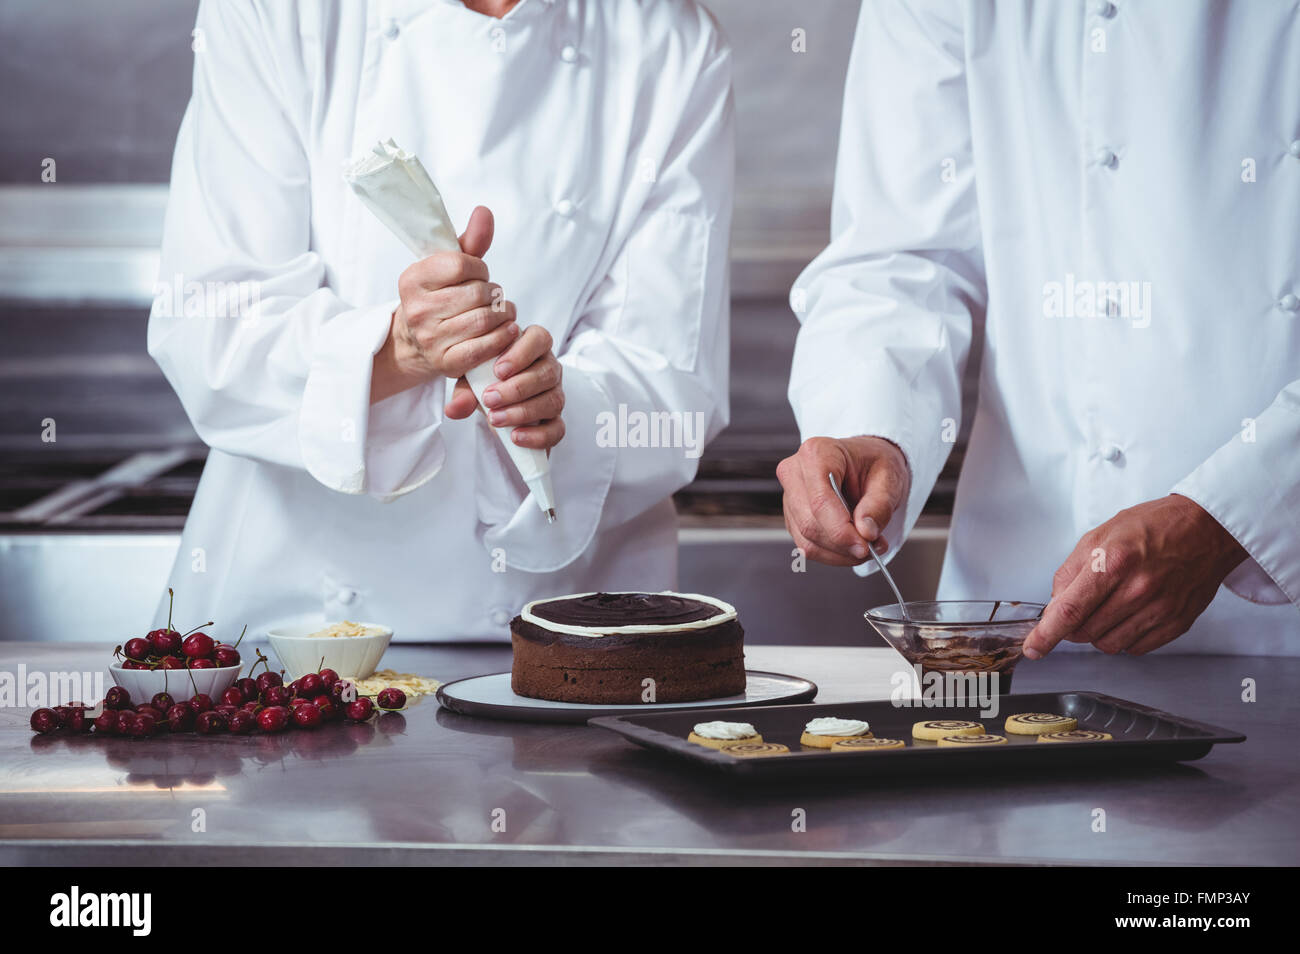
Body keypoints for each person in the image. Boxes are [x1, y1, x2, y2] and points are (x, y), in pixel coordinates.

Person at [149, 0, 732, 640]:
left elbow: (671, 386)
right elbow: (213, 326)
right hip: (291, 634)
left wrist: (559, 406)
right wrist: (398, 351)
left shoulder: (669, 39)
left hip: (571, 635)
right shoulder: (276, 11)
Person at [778, 0, 1299, 657]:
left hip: (1281, 617)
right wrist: (870, 428)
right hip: (1017, 615)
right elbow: (905, 255)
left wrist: (1233, 516)